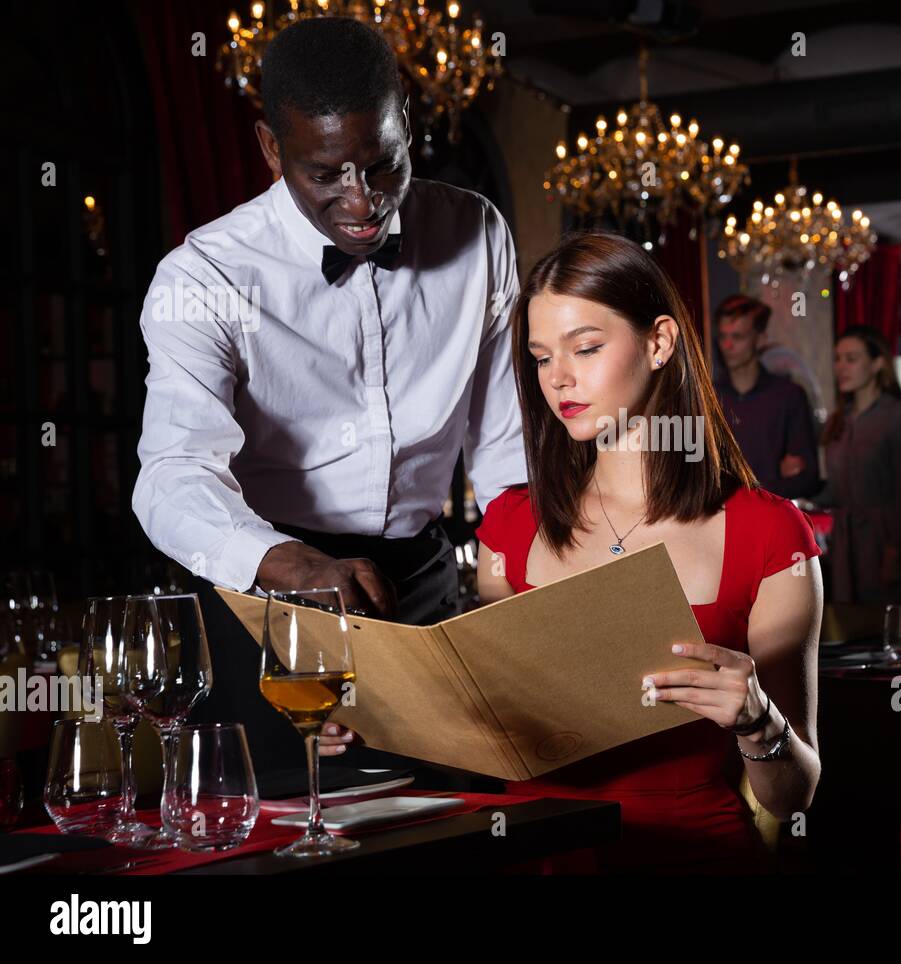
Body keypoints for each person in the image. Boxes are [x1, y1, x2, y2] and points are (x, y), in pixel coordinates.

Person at [132, 18, 525, 776]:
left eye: (383, 165)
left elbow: (509, 453)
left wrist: (529, 591)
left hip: (423, 581)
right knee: (289, 835)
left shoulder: (477, 234)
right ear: (272, 149)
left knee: (458, 823)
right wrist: (287, 562)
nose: (363, 201)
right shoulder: (204, 277)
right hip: (270, 591)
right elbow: (173, 475)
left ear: (405, 122)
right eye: (326, 174)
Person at [475, 232, 824, 872]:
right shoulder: (508, 526)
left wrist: (758, 723)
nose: (559, 379)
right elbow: (489, 731)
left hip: (691, 852)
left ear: (659, 343)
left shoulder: (770, 535)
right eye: (540, 357)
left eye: (585, 348)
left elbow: (793, 799)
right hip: (531, 850)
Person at [821, 326, 901, 604]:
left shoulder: (900, 417)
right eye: (837, 358)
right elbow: (834, 488)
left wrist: (895, 551)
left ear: (877, 363)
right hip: (846, 546)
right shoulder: (839, 421)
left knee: (890, 625)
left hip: (886, 544)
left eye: (852, 358)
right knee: (851, 629)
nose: (841, 367)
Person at [712, 294, 821, 499]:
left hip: (772, 516)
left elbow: (808, 477)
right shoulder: (708, 398)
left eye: (737, 337)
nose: (727, 346)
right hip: (722, 519)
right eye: (723, 337)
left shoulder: (788, 396)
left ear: (760, 339)